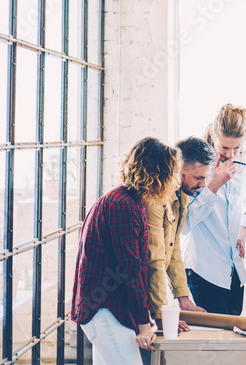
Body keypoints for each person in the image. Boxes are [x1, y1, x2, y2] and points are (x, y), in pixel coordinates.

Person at [70, 137, 180, 365]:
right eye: (173, 175)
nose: (176, 182)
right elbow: (131, 272)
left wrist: (144, 319)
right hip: (104, 310)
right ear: (158, 175)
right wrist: (143, 324)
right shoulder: (124, 206)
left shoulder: (128, 200)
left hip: (105, 309)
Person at [181, 104, 246, 315]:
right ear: (213, 135)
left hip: (235, 267)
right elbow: (185, 223)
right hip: (204, 267)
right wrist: (214, 183)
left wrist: (243, 229)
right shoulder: (196, 163)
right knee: (213, 338)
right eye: (224, 147)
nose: (230, 154)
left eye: (237, 148)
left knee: (233, 334)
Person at [144, 137, 214, 332]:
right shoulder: (155, 198)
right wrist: (160, 316)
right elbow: (155, 260)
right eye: (198, 178)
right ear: (179, 171)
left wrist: (183, 298)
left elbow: (173, 250)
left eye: (205, 177)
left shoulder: (182, 194)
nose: (203, 185)